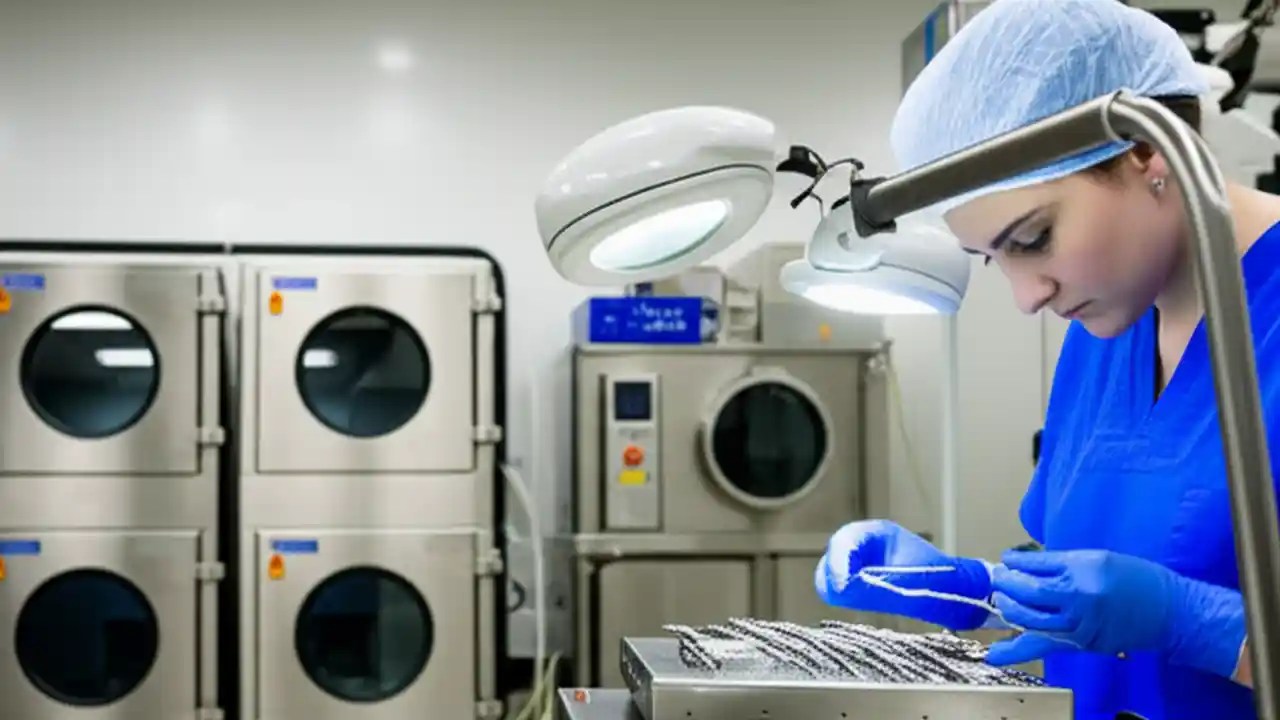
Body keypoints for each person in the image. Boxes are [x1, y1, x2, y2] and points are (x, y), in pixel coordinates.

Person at [812, 1, 1280, 718]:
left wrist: (1202, 626)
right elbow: (1094, 591)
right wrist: (971, 587)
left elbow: (1157, 602)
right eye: (992, 257)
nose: (1027, 296)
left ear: (1146, 152)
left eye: (1032, 238)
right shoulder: (1108, 330)